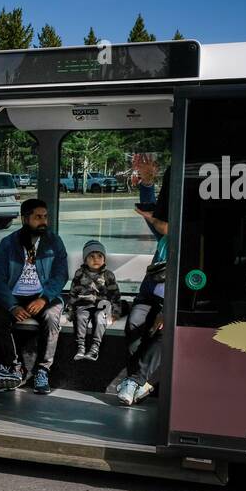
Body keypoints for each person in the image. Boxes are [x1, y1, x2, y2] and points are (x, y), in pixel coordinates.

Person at [0, 197, 69, 395]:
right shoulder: (8, 243)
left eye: (45, 216)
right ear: (25, 219)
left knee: (51, 318)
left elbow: (60, 274)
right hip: (15, 296)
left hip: (43, 296)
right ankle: (13, 368)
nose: (43, 221)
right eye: (38, 217)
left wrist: (44, 298)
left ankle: (42, 370)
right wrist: (12, 305)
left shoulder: (53, 242)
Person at [116, 155, 169, 405]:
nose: (157, 224)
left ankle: (137, 381)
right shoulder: (164, 239)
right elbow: (151, 209)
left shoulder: (190, 245)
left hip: (172, 301)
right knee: (134, 325)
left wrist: (167, 311)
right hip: (149, 295)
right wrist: (147, 182)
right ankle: (136, 382)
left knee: (161, 333)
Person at [69, 239, 121, 361]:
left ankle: (94, 348)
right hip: (84, 305)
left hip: (103, 306)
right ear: (85, 259)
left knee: (100, 317)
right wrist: (71, 311)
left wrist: (115, 313)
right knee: (80, 316)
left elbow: (115, 295)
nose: (96, 259)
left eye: (99, 256)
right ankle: (80, 347)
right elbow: (73, 293)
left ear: (104, 259)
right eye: (91, 256)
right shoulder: (79, 274)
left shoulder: (108, 275)